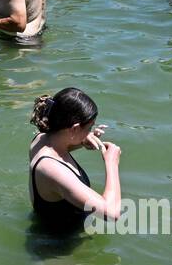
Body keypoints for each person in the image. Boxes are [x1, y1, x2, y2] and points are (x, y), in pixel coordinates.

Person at [28, 88, 121, 230]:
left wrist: (82, 141)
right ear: (74, 129)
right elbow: (112, 214)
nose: (90, 132)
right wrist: (112, 163)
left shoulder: (41, 140)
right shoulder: (51, 170)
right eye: (89, 128)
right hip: (59, 247)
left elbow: (60, 151)